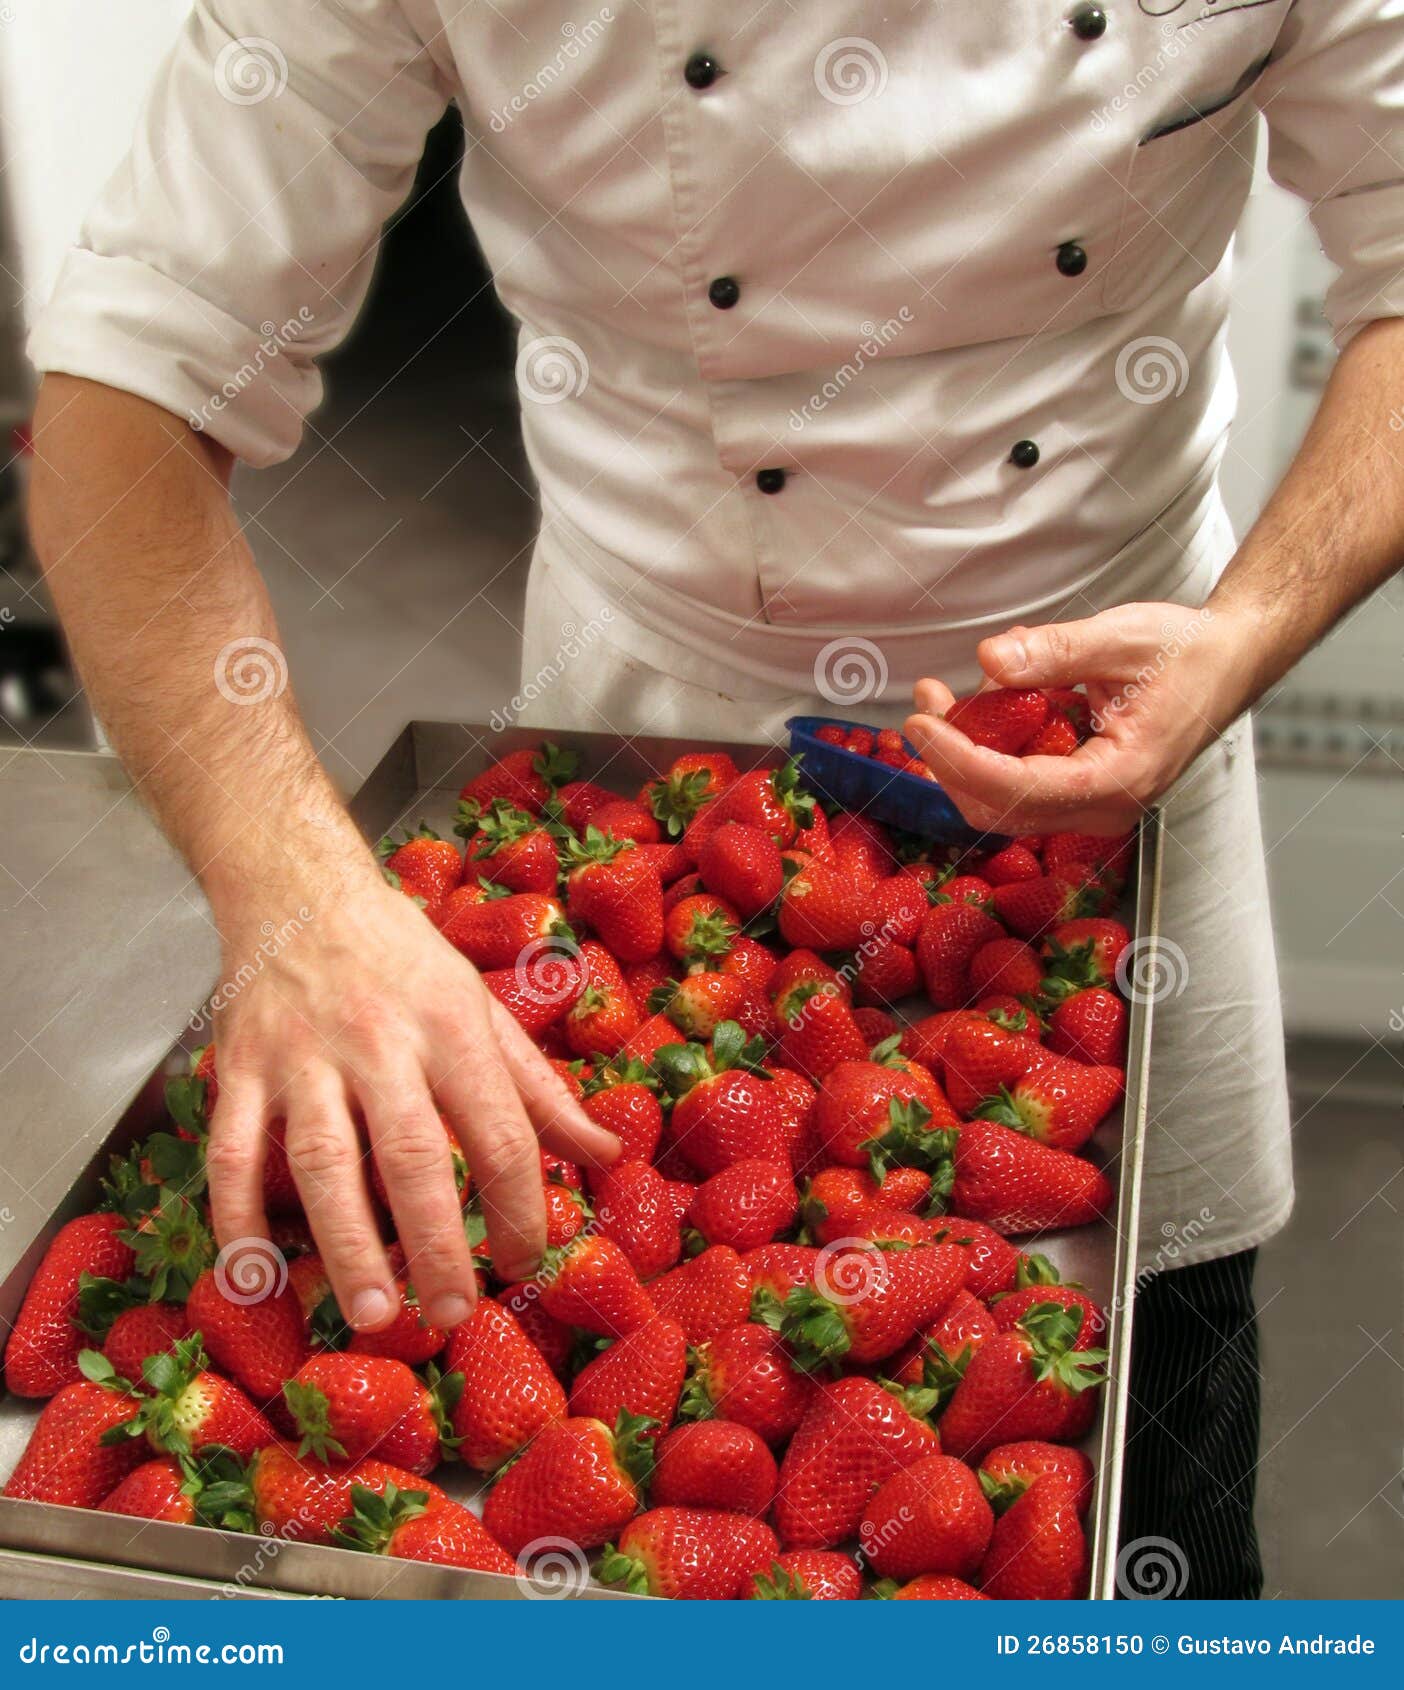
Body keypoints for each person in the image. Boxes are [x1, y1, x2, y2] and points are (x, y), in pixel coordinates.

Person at [24, 4, 1404, 1597]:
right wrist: (296, 893)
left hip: (1111, 736)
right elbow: (128, 387)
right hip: (644, 755)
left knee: (1158, 1482)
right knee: (597, 1563)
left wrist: (1250, 623)